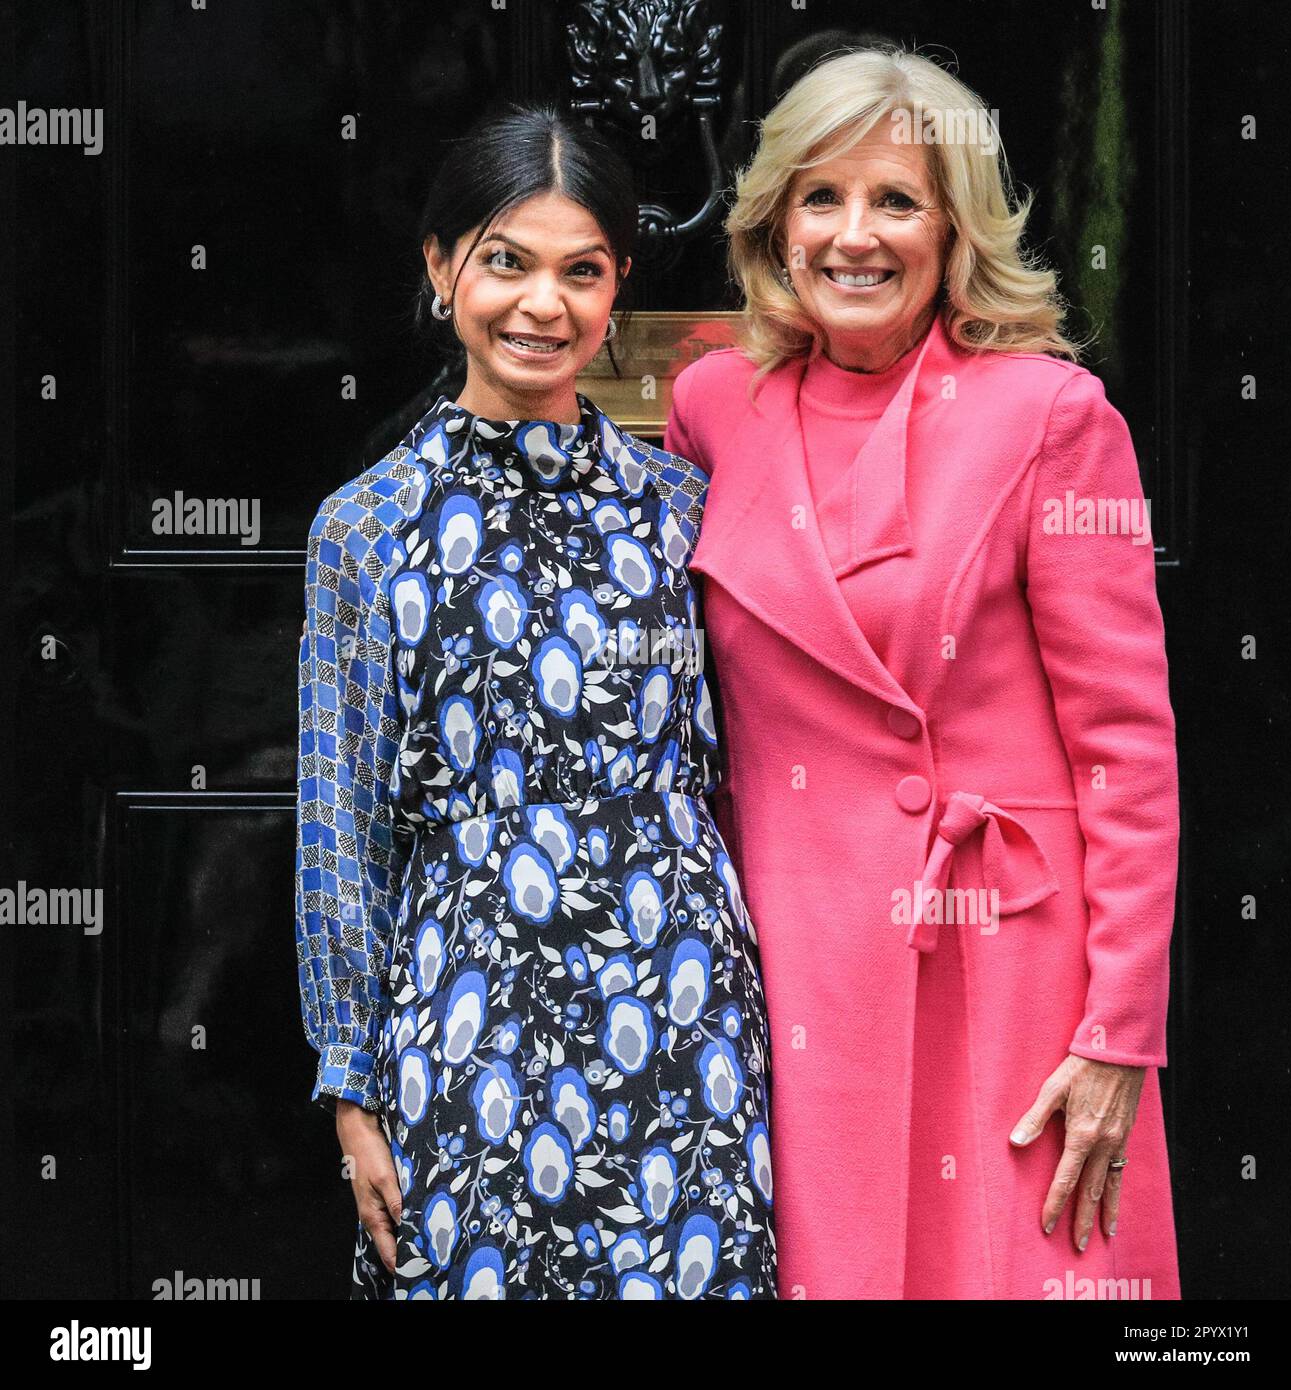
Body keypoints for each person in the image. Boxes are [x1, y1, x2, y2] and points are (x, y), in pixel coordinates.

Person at [663, 45, 1181, 1299]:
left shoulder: (1049, 415)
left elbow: (1125, 745)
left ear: (954, 231)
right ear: (776, 224)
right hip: (793, 956)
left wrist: (1118, 1034)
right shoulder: (709, 405)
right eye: (821, 197)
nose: (856, 235)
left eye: (896, 200)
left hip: (1007, 966)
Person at [294, 104, 777, 1300]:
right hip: (469, 1016)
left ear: (617, 292)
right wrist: (354, 1087)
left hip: (681, 1013)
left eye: (582, 271)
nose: (540, 305)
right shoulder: (365, 527)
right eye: (505, 261)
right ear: (439, 265)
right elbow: (339, 832)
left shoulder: (681, 507)